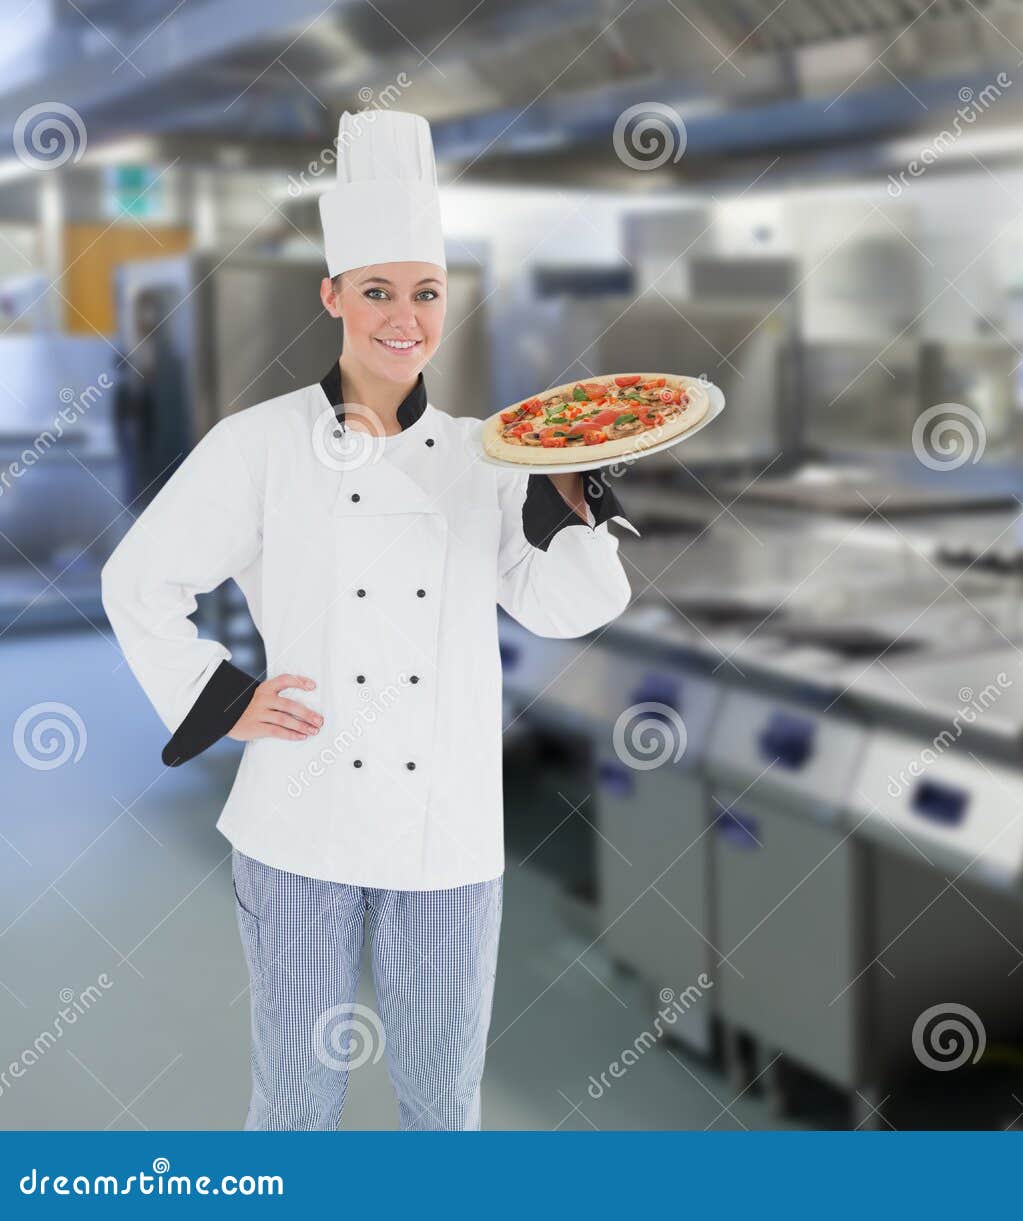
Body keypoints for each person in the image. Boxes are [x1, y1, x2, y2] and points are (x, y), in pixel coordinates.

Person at [100, 109, 639, 1130]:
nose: (405, 317)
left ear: (448, 301)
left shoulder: (491, 453)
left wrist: (576, 502)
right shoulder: (258, 444)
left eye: (426, 293)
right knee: (298, 1097)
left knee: (442, 1102)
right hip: (299, 814)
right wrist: (222, 698)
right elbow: (139, 582)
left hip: (447, 830)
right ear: (334, 294)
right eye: (380, 291)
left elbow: (571, 604)